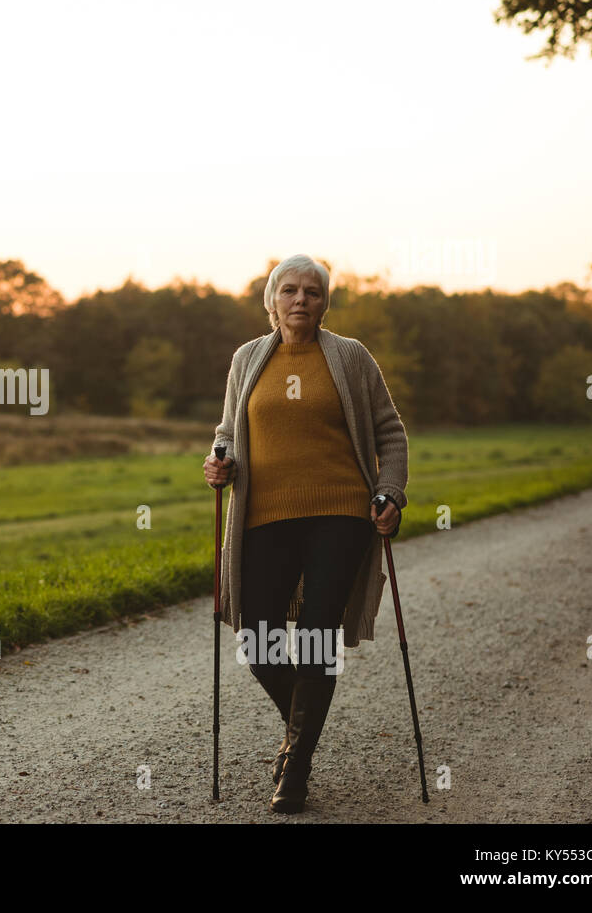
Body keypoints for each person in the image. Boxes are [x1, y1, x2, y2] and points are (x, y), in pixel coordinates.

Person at [202, 254, 409, 813]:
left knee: (317, 635)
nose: (301, 300)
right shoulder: (248, 359)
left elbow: (390, 433)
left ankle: (295, 767)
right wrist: (218, 464)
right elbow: (227, 433)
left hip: (340, 514)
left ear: (325, 302)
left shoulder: (350, 357)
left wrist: (390, 492)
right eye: (289, 290)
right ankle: (302, 731)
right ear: (271, 301)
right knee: (258, 640)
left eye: (312, 292)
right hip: (265, 516)